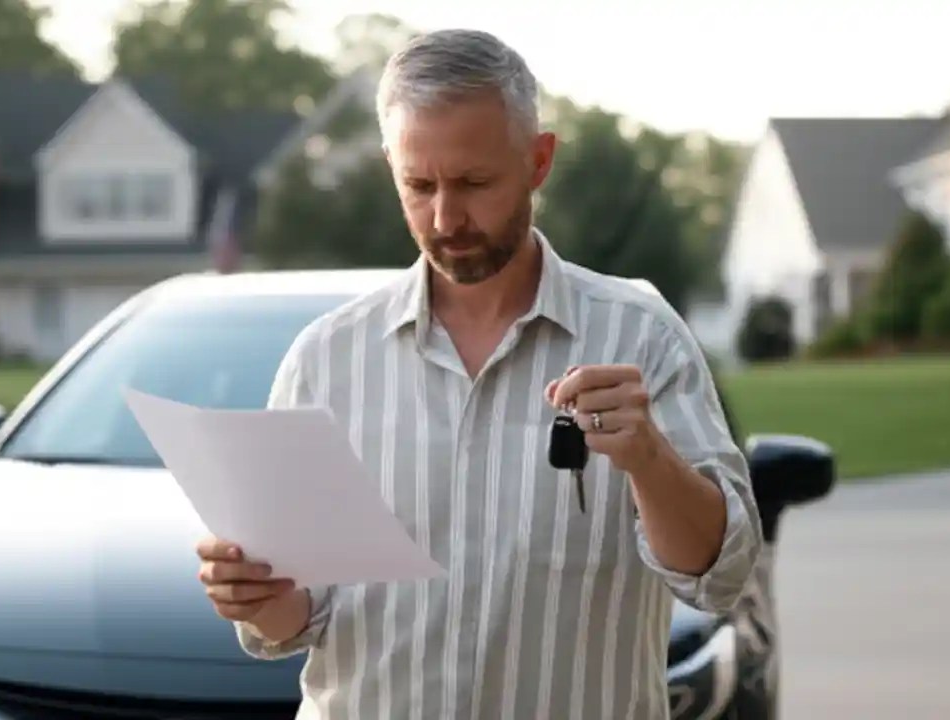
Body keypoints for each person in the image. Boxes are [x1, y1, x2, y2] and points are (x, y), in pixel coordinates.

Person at [195, 28, 762, 719]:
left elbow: (721, 577)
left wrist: (648, 459)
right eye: (418, 184)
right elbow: (294, 619)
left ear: (538, 160)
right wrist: (254, 597)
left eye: (473, 182)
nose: (445, 217)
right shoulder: (325, 360)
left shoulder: (643, 337)